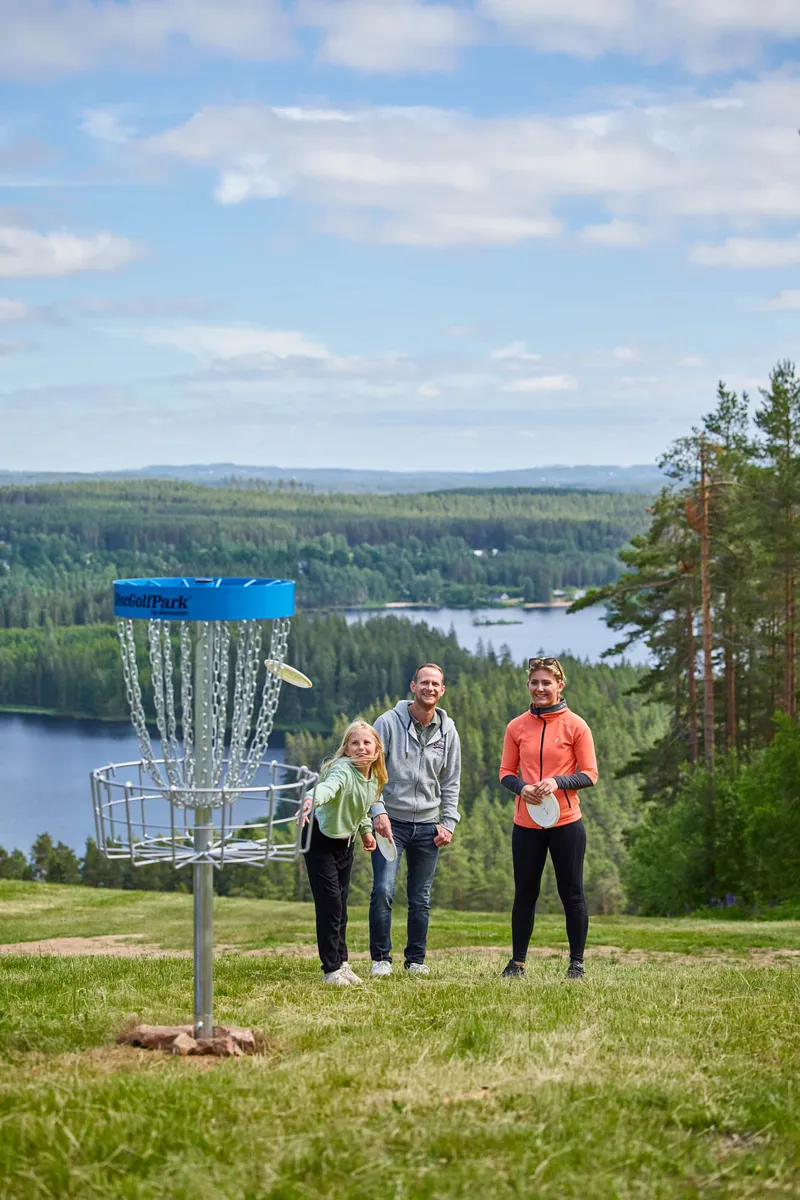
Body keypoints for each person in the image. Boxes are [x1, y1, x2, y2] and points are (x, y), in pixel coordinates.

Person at [498, 656, 598, 981]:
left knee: (572, 894)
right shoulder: (516, 727)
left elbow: (590, 774)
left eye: (546, 683)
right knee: (525, 893)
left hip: (566, 823)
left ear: (560, 685)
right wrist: (522, 788)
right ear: (528, 685)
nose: (540, 688)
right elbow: (504, 773)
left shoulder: (576, 725)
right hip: (526, 825)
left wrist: (557, 782)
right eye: (535, 683)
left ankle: (577, 964)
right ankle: (517, 964)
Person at [369, 663, 462, 977]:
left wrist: (449, 822)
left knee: (420, 897)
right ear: (413, 686)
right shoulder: (388, 723)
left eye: (436, 683)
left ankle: (415, 962)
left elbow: (451, 781)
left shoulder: (448, 730)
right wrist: (377, 811)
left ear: (442, 690)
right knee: (383, 890)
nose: (430, 688)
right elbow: (371, 772)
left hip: (428, 825)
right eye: (425, 682)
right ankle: (381, 959)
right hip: (390, 823)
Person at [301, 720, 386, 986]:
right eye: (354, 743)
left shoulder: (373, 778)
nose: (361, 748)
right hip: (318, 838)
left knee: (341, 904)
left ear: (376, 749)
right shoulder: (341, 770)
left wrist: (365, 831)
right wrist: (310, 798)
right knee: (330, 905)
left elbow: (360, 807)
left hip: (344, 843)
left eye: (366, 742)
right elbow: (329, 789)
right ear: (347, 749)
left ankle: (342, 962)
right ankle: (331, 970)